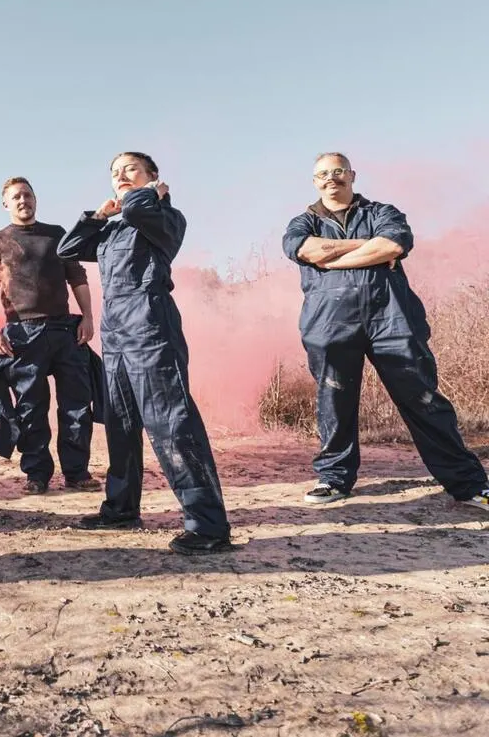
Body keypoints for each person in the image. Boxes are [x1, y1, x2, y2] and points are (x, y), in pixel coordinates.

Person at [282, 152, 489, 510]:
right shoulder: (303, 223)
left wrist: (335, 259)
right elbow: (309, 251)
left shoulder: (382, 213)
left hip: (392, 320)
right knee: (334, 402)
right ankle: (334, 479)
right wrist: (368, 249)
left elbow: (393, 244)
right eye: (322, 174)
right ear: (314, 181)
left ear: (352, 175)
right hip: (329, 324)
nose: (331, 178)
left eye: (338, 171)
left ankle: (468, 484)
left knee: (423, 400)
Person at [58, 152, 231, 555]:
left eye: (129, 170)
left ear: (155, 177)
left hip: (151, 324)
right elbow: (68, 249)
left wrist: (145, 194)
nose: (120, 177)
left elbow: (139, 209)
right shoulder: (114, 229)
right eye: (114, 173)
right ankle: (120, 509)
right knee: (119, 423)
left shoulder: (164, 218)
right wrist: (98, 216)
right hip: (115, 332)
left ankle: (207, 524)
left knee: (171, 422)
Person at [0, 177, 100, 494]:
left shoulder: (56, 235)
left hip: (64, 330)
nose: (23, 200)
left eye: (27, 195)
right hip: (21, 332)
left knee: (75, 404)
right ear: (6, 203)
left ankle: (77, 472)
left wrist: (87, 317)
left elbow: (78, 278)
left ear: (35, 199)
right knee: (31, 407)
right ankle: (37, 474)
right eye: (16, 196)